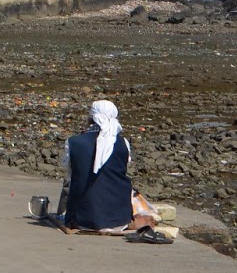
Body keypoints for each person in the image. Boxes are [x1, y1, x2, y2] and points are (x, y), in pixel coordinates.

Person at [60, 100, 168, 241]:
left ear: (91, 118)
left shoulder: (73, 142)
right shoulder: (123, 143)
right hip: (120, 220)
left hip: (82, 220)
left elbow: (70, 172)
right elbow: (121, 168)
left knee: (73, 182)